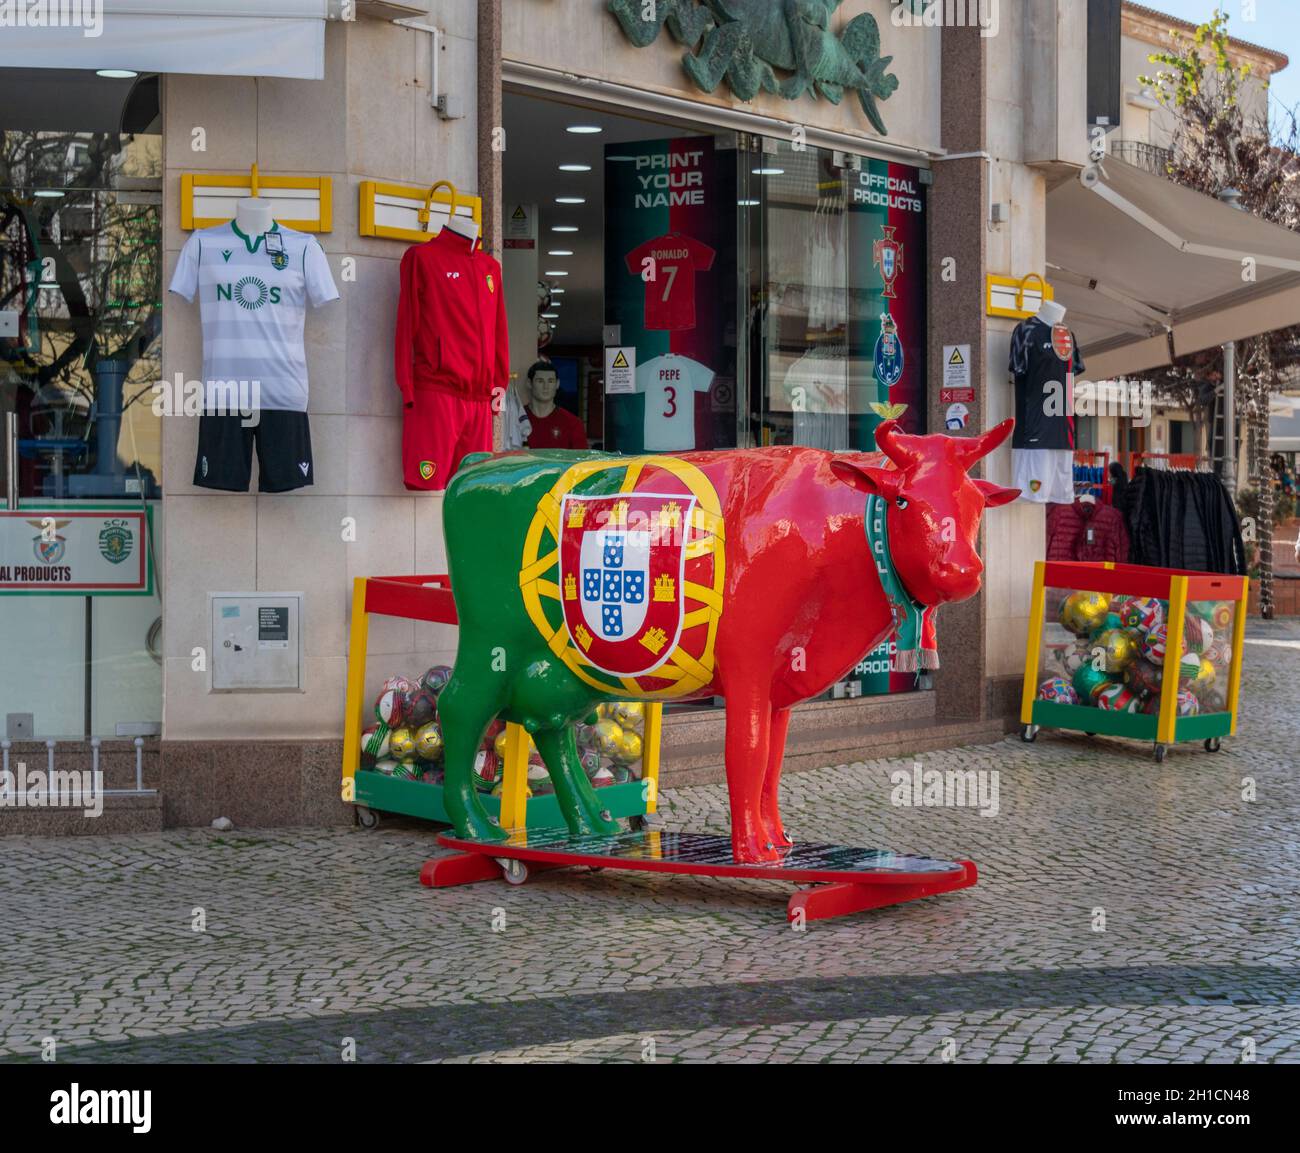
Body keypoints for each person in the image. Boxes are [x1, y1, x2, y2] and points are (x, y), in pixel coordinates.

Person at [523, 360, 587, 449]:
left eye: (550, 381)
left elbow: (581, 461)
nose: (546, 387)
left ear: (557, 384)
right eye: (540, 381)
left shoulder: (573, 423)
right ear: (529, 383)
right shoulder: (516, 419)